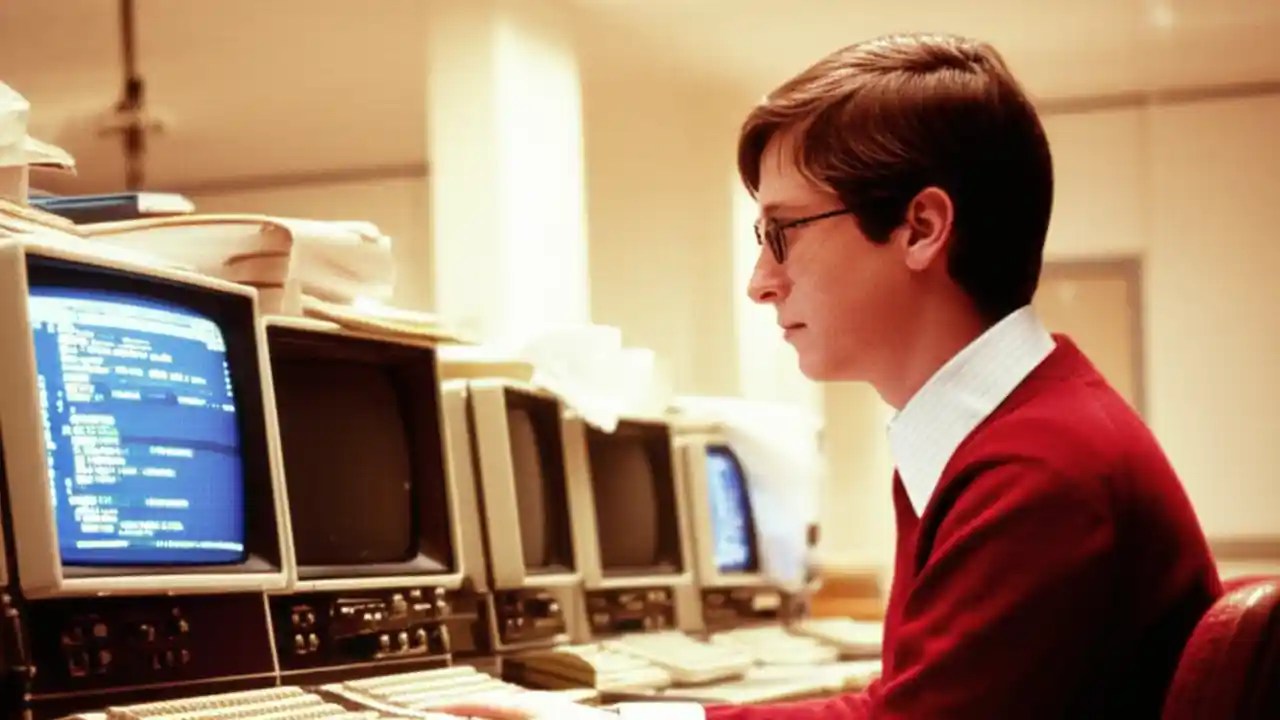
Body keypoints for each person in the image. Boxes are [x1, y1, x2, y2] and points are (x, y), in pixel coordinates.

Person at [444, 31, 1222, 719]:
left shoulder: (1041, 470)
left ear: (920, 228)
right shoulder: (1008, 438)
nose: (759, 281)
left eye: (783, 233)